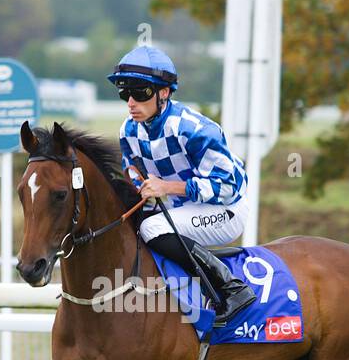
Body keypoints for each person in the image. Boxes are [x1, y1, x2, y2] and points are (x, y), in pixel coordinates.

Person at [109, 44, 256, 328]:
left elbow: (230, 187)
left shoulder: (195, 130)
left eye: (140, 93)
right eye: (124, 93)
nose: (131, 102)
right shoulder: (128, 130)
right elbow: (136, 176)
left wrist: (168, 187)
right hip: (181, 210)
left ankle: (230, 288)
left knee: (151, 229)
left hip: (226, 209)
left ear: (164, 93)